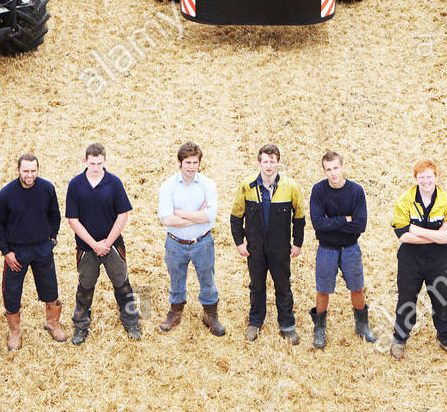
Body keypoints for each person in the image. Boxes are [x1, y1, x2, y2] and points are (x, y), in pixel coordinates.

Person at [66, 143, 141, 344]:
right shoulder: (75, 185)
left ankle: (131, 321)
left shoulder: (114, 183)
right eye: (92, 163)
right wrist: (94, 245)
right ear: (85, 161)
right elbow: (73, 220)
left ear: (105, 161)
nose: (96, 167)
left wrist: (107, 243)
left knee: (123, 284)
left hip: (113, 246)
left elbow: (122, 215)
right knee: (85, 287)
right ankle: (81, 326)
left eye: (100, 163)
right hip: (86, 249)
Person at [389, 160, 447, 361]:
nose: (425, 181)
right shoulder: (404, 201)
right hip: (410, 259)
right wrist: (437, 234)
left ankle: (446, 339)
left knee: (441, 299)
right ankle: (400, 338)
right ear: (415, 179)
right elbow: (403, 236)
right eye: (421, 177)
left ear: (436, 177)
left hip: (439, 260)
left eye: (429, 176)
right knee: (406, 298)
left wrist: (415, 229)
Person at [231, 143, 305, 344]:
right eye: (265, 161)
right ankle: (255, 322)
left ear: (278, 162)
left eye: (273, 161)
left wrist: (297, 243)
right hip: (255, 248)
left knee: (283, 286)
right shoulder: (247, 186)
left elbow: (299, 217)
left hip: (280, 248)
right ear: (259, 162)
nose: (269, 166)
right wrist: (239, 242)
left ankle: (287, 325)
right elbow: (236, 215)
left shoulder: (290, 187)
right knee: (256, 286)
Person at [0, 153, 66, 350]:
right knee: (12, 293)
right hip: (16, 252)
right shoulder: (6, 194)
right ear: (18, 171)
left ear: (37, 170)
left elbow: (54, 215)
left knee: (50, 288)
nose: (29, 174)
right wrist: (6, 252)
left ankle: (53, 323)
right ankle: (14, 332)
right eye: (26, 171)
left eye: (33, 171)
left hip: (42, 248)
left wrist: (51, 238)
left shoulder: (47, 189)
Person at [307, 150, 375, 348]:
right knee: (323, 290)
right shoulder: (318, 191)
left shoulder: (356, 191)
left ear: (342, 167)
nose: (333, 173)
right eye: (328, 169)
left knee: (357, 287)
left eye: (336, 168)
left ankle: (362, 325)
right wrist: (346, 219)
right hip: (326, 248)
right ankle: (319, 328)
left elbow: (360, 225)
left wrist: (333, 222)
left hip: (350, 248)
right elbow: (318, 224)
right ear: (324, 170)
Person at [157, 141, 224, 335]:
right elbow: (165, 219)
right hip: (175, 243)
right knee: (176, 278)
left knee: (207, 279)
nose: (191, 167)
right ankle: (175, 313)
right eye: (188, 162)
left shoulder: (207, 185)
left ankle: (210, 314)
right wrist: (195, 216)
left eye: (195, 162)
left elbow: (209, 217)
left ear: (199, 163)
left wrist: (180, 213)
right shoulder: (168, 186)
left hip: (202, 242)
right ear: (179, 162)